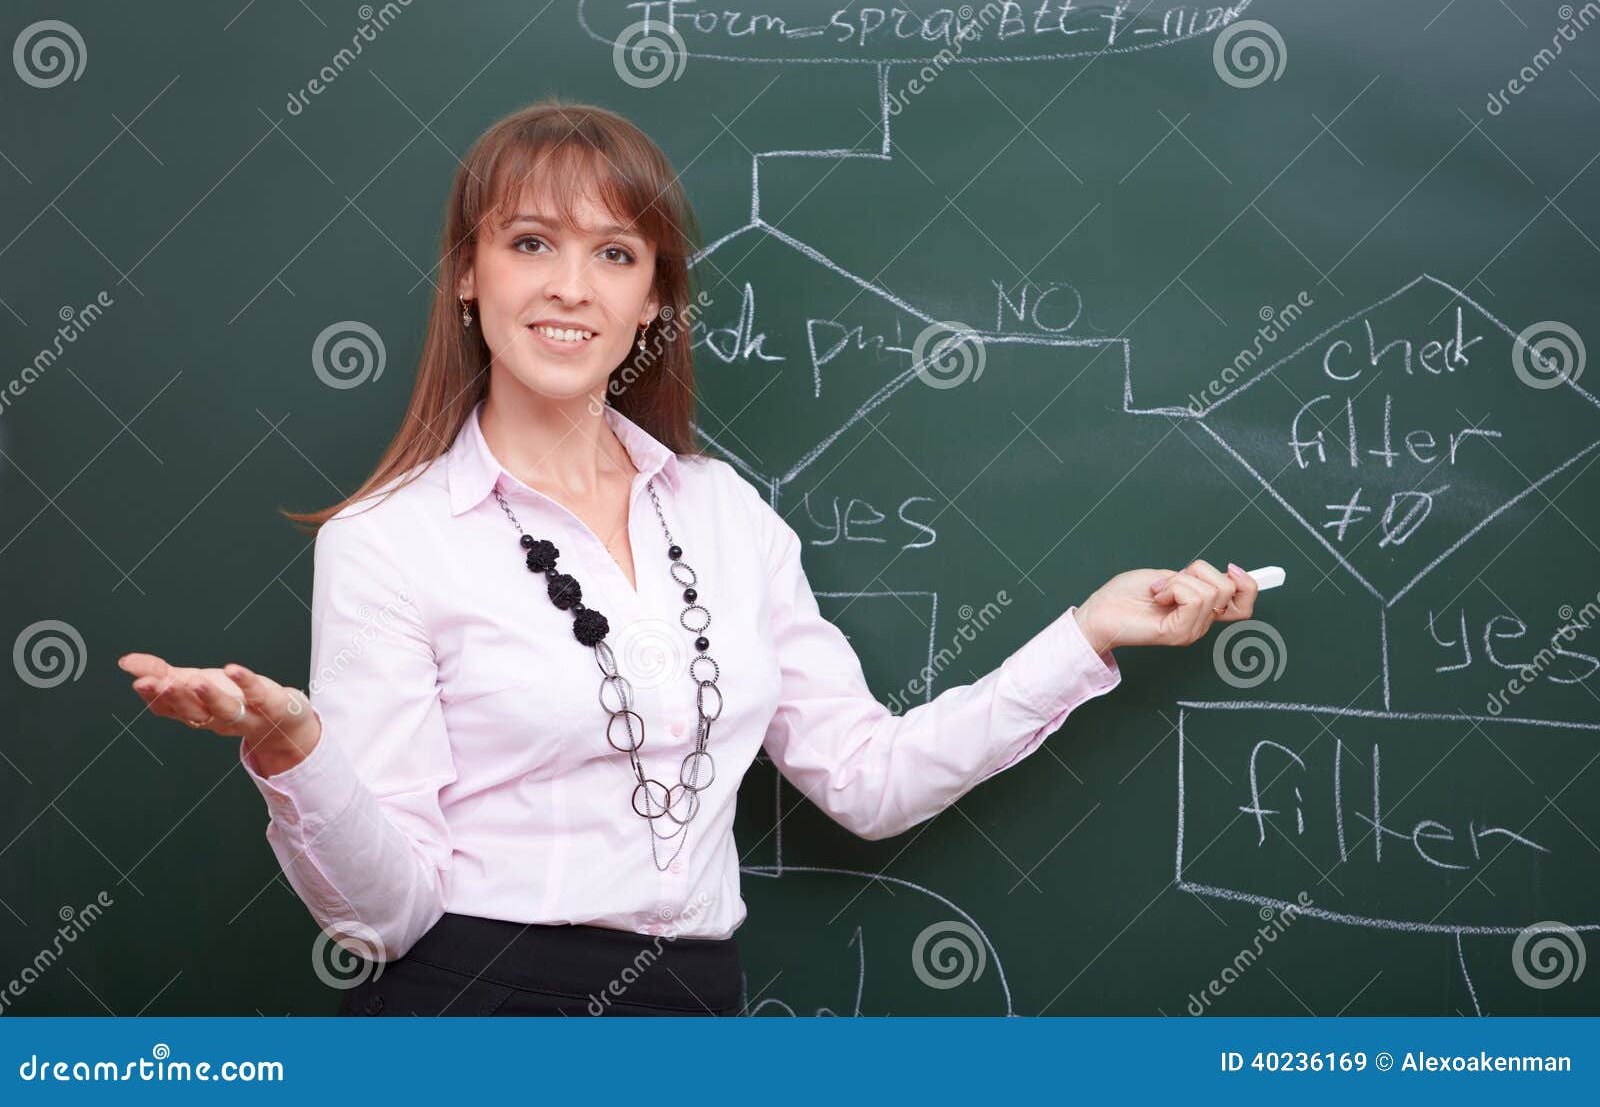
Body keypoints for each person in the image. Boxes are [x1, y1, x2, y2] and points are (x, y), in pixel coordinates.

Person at [116, 99, 1260, 1017]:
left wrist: (1086, 633)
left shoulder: (725, 515)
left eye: (615, 252)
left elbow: (869, 782)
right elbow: (384, 917)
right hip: (474, 1009)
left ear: (653, 296)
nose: (570, 286)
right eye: (530, 242)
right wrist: (297, 748)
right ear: (469, 273)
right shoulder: (389, 540)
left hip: (694, 1005)